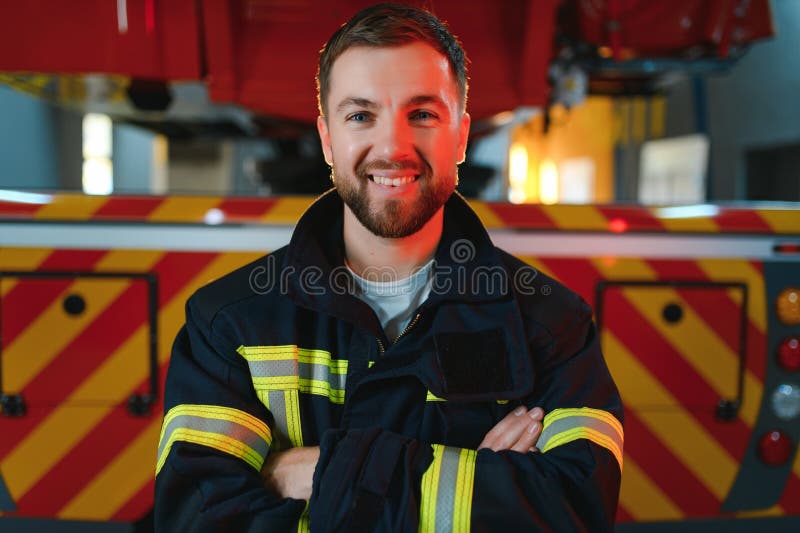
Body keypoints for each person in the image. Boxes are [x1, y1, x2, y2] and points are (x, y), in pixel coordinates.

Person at [154, 3, 623, 531]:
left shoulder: (552, 326)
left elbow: (574, 514)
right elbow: (197, 520)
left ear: (462, 136)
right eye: (360, 116)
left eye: (422, 114)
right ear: (329, 139)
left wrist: (314, 474)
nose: (394, 147)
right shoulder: (228, 324)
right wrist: (480, 481)